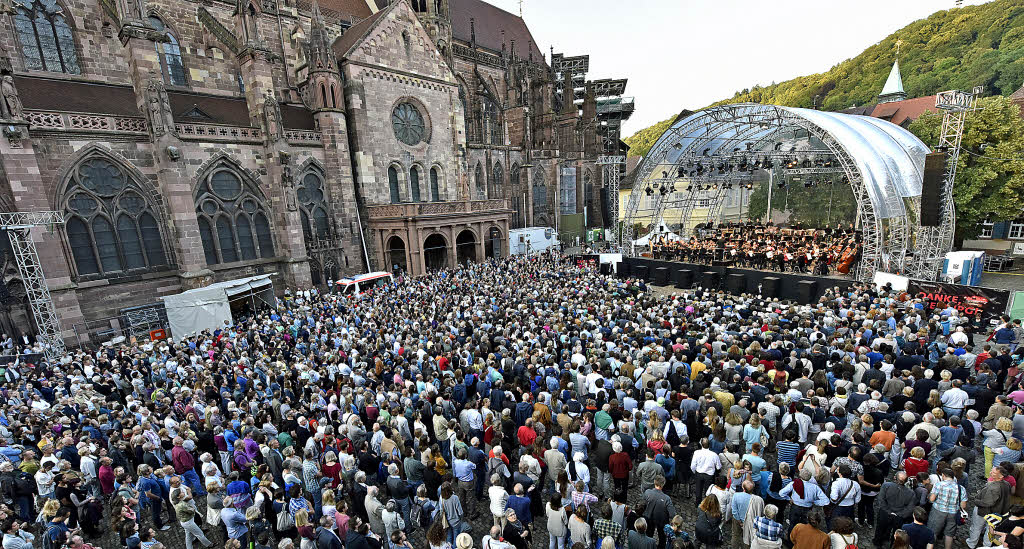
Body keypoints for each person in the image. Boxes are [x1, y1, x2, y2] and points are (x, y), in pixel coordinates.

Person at [928, 466, 967, 549]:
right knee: (949, 534)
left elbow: (931, 499)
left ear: (943, 476)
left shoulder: (938, 485)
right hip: (953, 513)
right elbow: (963, 506)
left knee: (933, 531)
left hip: (938, 511)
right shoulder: (961, 488)